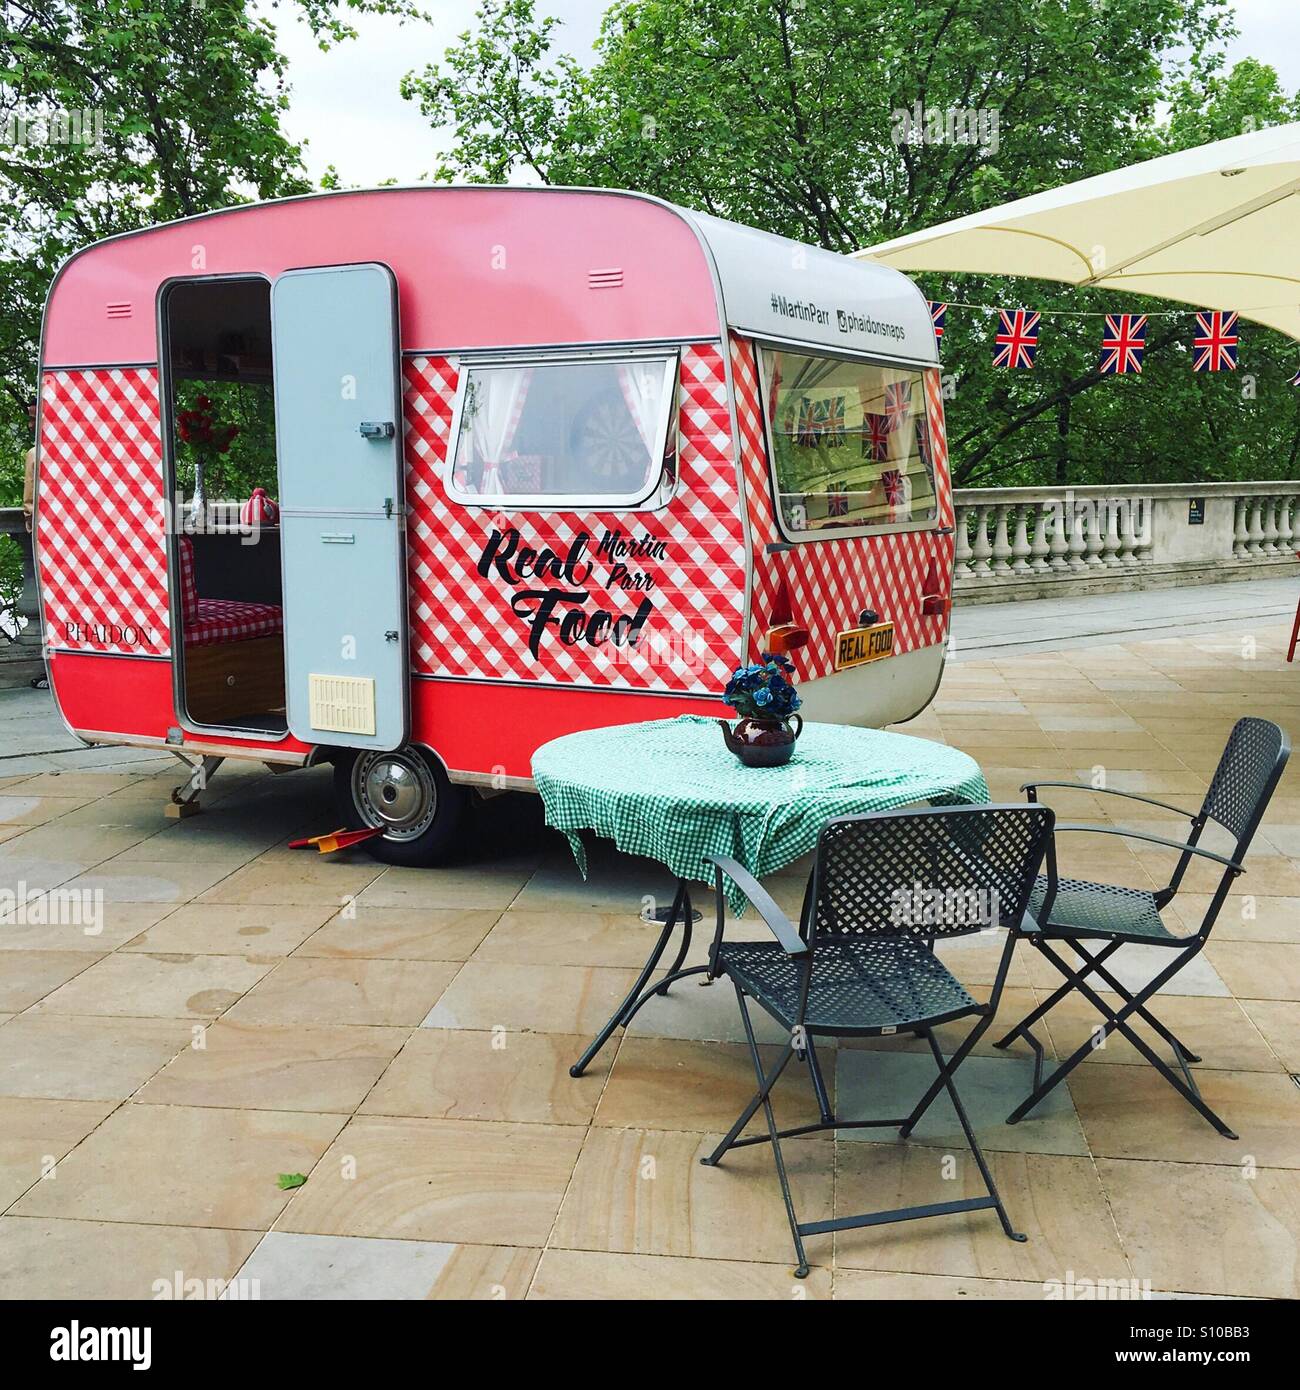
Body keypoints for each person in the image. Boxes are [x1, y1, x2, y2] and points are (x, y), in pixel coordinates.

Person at [22, 396, 37, 533]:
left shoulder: (34, 454)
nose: (30, 425)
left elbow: (29, 501)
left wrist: (29, 518)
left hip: (42, 530)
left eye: (34, 419)